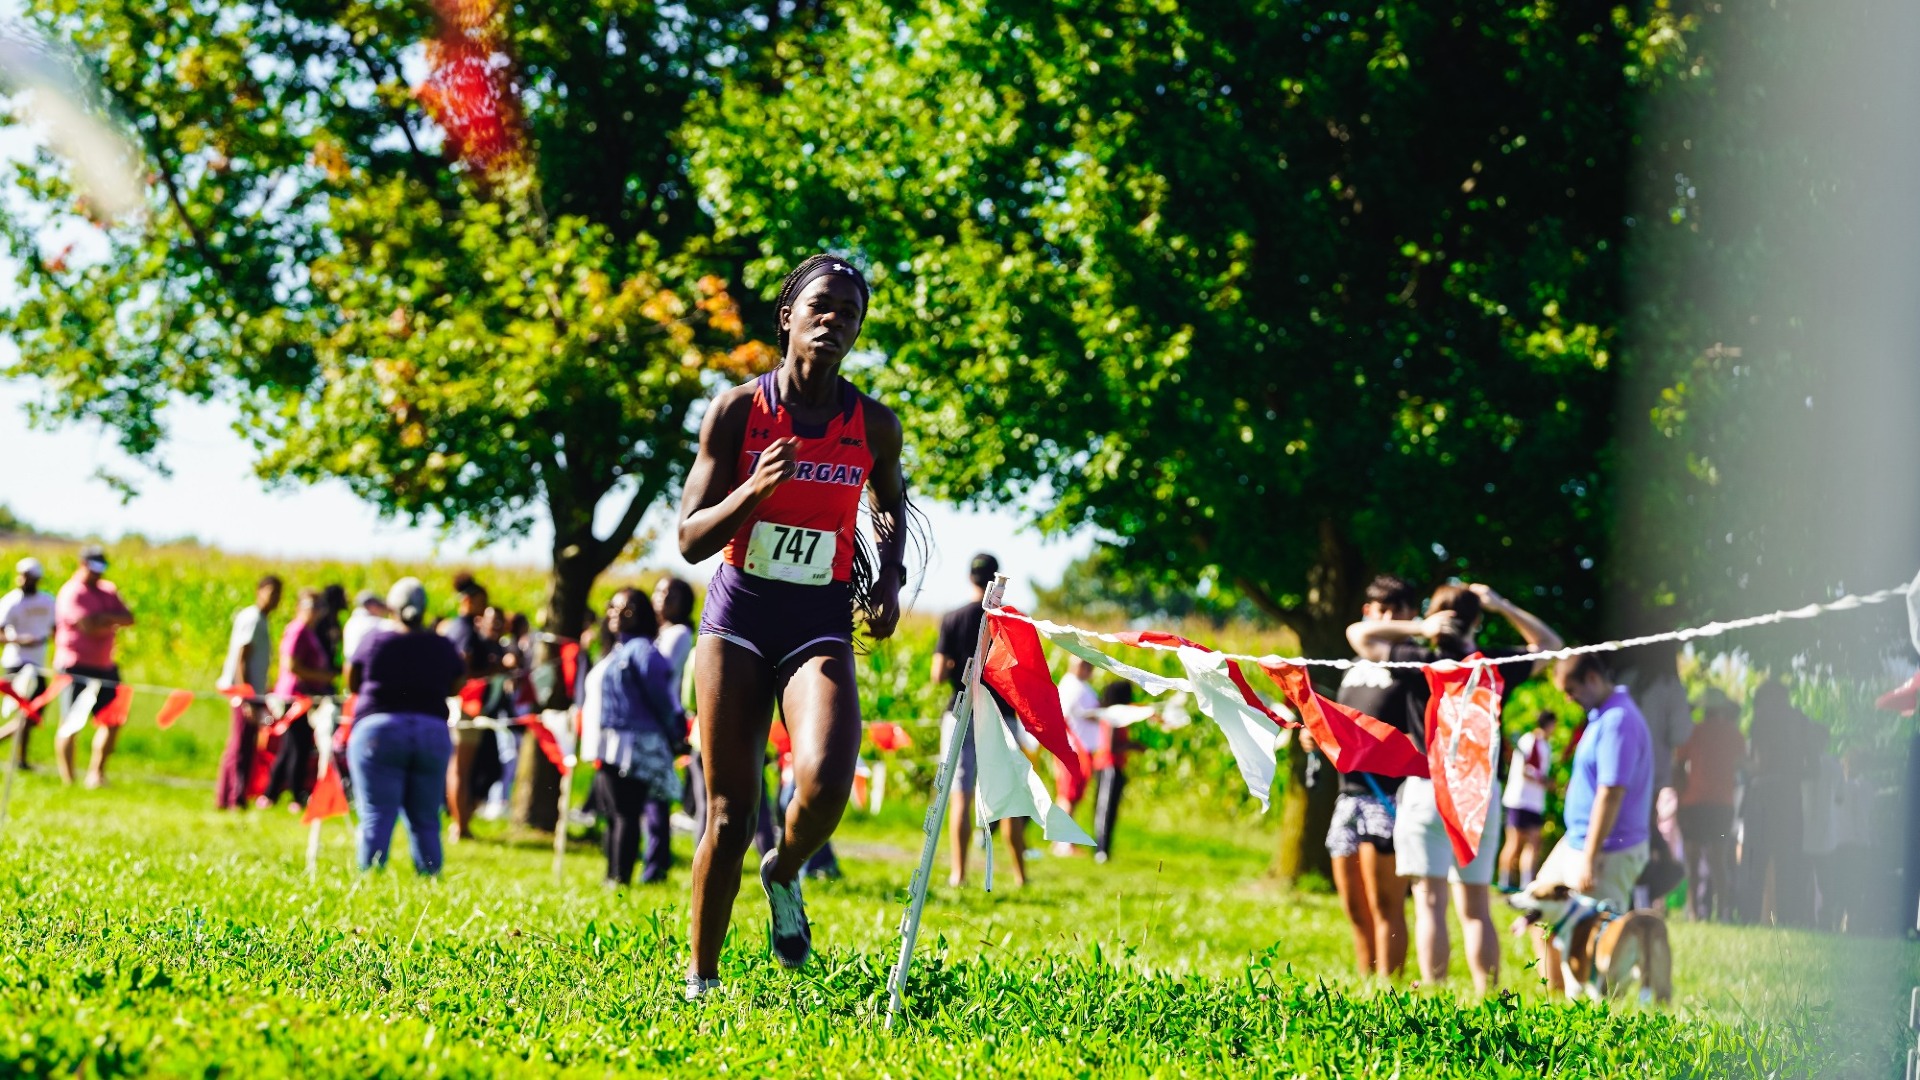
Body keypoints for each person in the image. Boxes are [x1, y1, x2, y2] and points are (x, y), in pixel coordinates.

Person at [677, 254, 912, 999]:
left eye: (849, 311)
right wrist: (755, 486)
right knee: (729, 810)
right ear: (787, 317)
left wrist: (891, 579)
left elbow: (891, 500)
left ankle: (783, 869)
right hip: (740, 612)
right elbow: (688, 540)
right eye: (821, 304)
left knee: (827, 779)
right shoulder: (740, 411)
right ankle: (701, 980)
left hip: (819, 616)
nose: (833, 318)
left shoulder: (872, 422)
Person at [1350, 582, 1563, 994]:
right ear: (1477, 622)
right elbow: (1551, 644)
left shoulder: (1418, 660)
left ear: (1436, 618)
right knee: (1477, 908)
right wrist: (1503, 604)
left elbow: (1358, 634)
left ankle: (1433, 993)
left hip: (1427, 790)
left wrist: (1419, 627)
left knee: (1430, 903)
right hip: (1479, 795)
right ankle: (1489, 996)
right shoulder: (1493, 665)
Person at [1318, 574, 1422, 981]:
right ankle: (1367, 986)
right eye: (1381, 610)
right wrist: (1319, 738)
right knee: (1355, 906)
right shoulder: (1353, 665)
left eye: (1397, 610)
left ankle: (1390, 990)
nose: (1387, 617)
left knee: (1386, 906)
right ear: (1368, 612)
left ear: (1413, 614)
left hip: (1390, 795)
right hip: (1349, 795)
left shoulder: (1412, 661)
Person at [1532, 653, 1653, 996]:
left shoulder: (1619, 720)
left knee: (1601, 942)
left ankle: (1604, 1024)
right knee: (1539, 909)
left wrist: (1590, 856)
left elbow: (1611, 793)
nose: (1568, 699)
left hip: (1608, 848)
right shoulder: (1602, 715)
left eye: (1571, 690)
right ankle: (1555, 1001)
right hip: (1577, 839)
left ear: (1593, 679)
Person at [346, 578, 464, 873]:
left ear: (392, 607)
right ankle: (429, 880)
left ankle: (370, 878)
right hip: (431, 732)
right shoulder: (442, 645)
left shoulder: (375, 640)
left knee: (376, 814)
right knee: (426, 819)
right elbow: (457, 684)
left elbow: (352, 679)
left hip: (378, 731)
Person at [934, 553, 1028, 889]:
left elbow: (936, 672)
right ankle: (1019, 874)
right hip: (999, 714)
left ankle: (959, 874)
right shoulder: (1009, 621)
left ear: (970, 578)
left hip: (960, 712)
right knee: (1008, 794)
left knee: (959, 794)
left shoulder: (952, 618)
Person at [588, 587, 684, 886]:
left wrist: (675, 732)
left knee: (626, 812)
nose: (617, 613)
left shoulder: (644, 651)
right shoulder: (616, 650)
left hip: (635, 743)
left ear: (641, 614)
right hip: (609, 742)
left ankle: (621, 879)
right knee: (612, 812)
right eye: (613, 607)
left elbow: (662, 697)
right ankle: (611, 876)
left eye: (627, 608)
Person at [53, 544, 134, 788]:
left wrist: (103, 618)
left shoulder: (108, 590)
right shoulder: (72, 592)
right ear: (82, 564)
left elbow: (129, 618)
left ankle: (96, 774)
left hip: (105, 666)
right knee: (70, 722)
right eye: (94, 568)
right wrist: (109, 619)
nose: (98, 574)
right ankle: (68, 780)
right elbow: (86, 625)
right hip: (74, 665)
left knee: (113, 720)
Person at [1740, 680, 1811, 925]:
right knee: (1788, 861)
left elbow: (1760, 764)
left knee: (1755, 861)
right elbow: (1812, 766)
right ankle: (1791, 918)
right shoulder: (1800, 720)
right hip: (1791, 796)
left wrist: (1741, 764)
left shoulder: (1763, 719)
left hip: (1764, 795)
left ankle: (1748, 917)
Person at [262, 587, 336, 810]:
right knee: (299, 746)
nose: (315, 612)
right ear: (299, 608)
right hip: (293, 696)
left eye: (318, 606)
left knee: (291, 747)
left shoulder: (309, 631)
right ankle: (295, 796)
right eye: (310, 606)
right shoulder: (297, 630)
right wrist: (323, 676)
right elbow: (291, 665)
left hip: (303, 696)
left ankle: (271, 794)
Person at [442, 574, 503, 841]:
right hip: (465, 705)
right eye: (481, 601)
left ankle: (461, 822)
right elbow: (464, 667)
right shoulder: (465, 630)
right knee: (461, 768)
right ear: (468, 601)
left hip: (463, 705)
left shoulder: (456, 627)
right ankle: (460, 825)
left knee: (462, 767)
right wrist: (494, 668)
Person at [1675, 687, 1744, 920]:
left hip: (1694, 803)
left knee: (1693, 860)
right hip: (1722, 805)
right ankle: (1723, 912)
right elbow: (1742, 765)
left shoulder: (1692, 732)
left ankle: (1695, 912)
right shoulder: (1734, 734)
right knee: (1719, 860)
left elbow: (1677, 764)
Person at [215, 575, 282, 810]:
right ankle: (235, 798)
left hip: (253, 692)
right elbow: (242, 659)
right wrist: (246, 697)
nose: (275, 599)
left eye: (278, 594)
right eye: (271, 592)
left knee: (241, 744)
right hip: (244, 692)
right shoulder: (253, 618)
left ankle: (225, 798)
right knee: (241, 746)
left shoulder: (260, 619)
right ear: (259, 591)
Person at [0, 557, 56, 768]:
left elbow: (56, 628)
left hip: (38, 663)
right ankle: (20, 760)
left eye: (28, 576)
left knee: (34, 713)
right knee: (22, 711)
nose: (23, 579)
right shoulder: (10, 601)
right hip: (16, 662)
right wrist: (19, 640)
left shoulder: (48, 601)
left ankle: (20, 758)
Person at [1497, 711, 1556, 892]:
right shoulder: (1529, 741)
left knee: (1534, 843)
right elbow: (1525, 770)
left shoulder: (1546, 746)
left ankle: (1525, 884)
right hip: (1518, 799)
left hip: (1535, 803)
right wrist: (1545, 781)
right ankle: (1504, 882)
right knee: (1514, 842)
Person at [1050, 656, 1101, 855]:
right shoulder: (1070, 686)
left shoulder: (1082, 687)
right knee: (1067, 795)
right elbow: (1069, 714)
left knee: (1073, 795)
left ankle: (1065, 841)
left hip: (1083, 749)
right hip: (1072, 749)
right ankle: (1062, 843)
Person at [1090, 679, 1136, 863]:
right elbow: (1111, 746)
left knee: (1108, 809)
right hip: (1109, 766)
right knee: (1105, 810)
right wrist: (1133, 745)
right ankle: (1101, 850)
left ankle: (1103, 849)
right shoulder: (1113, 717)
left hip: (1113, 766)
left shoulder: (1116, 714)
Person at [340, 589, 390, 678]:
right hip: (366, 671)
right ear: (370, 605)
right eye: (379, 605)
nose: (382, 610)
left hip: (350, 671)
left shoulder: (351, 622)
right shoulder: (373, 623)